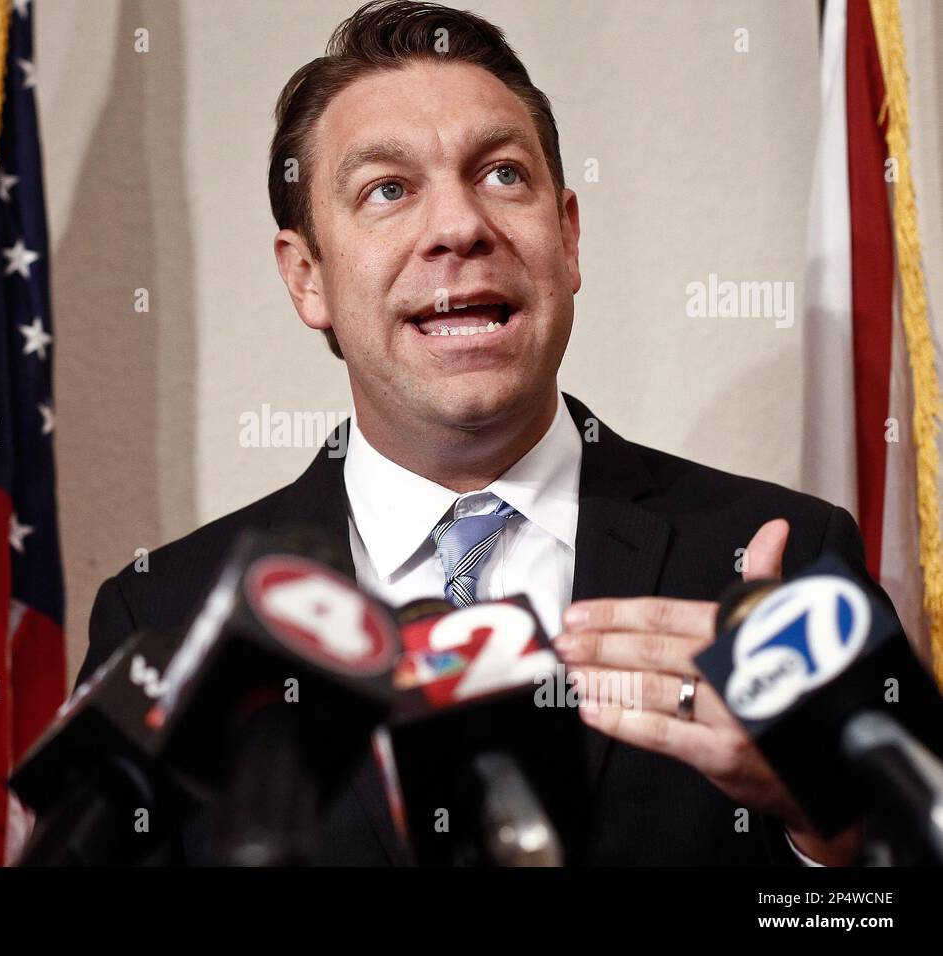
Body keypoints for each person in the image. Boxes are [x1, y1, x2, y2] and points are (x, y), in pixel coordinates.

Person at [79, 0, 881, 865]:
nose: (459, 227)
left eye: (502, 174)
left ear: (567, 238)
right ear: (306, 277)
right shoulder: (164, 619)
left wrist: (826, 824)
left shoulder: (778, 562)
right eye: (388, 190)